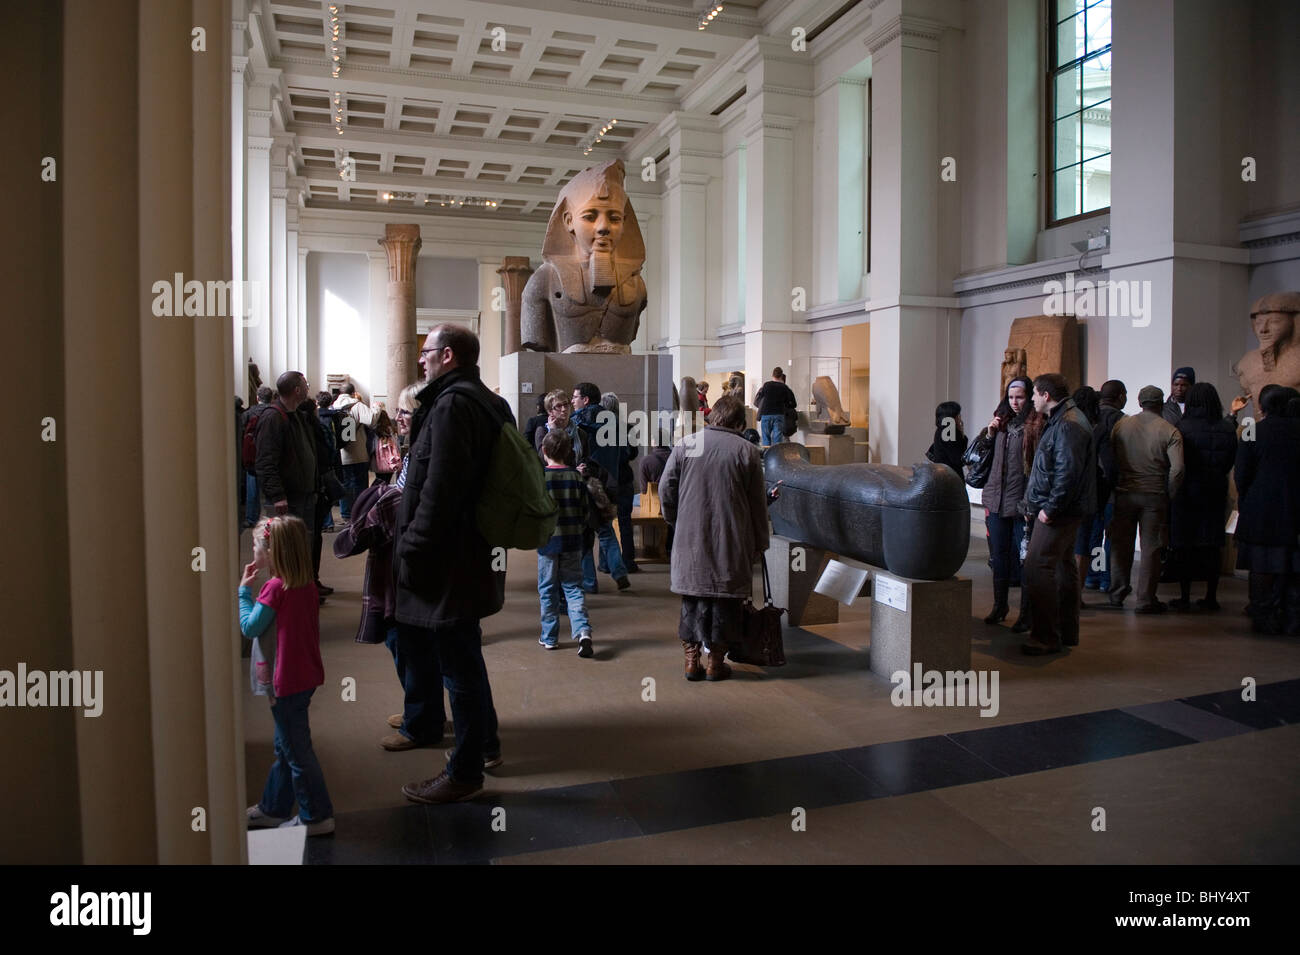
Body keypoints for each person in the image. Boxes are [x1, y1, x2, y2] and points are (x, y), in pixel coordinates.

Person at [395, 324, 507, 805]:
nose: (420, 360)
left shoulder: (453, 405)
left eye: (426, 353)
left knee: (457, 666)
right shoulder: (484, 400)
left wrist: (413, 546)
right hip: (470, 550)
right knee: (465, 656)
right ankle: (484, 746)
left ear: (447, 355)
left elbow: (440, 489)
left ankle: (463, 772)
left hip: (449, 555)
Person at [660, 395, 770, 681]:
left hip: (691, 537)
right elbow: (758, 504)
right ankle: (715, 663)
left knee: (693, 597)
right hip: (731, 538)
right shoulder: (747, 451)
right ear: (737, 423)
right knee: (726, 601)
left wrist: (675, 520)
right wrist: (760, 543)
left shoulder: (687, 444)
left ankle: (690, 661)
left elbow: (665, 488)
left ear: (712, 417)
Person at [240, 516, 334, 836]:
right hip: (304, 675)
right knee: (286, 746)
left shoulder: (274, 589)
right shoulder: (305, 584)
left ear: (270, 550)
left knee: (296, 752)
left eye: (255, 544)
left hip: (284, 681)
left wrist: (243, 594)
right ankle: (273, 807)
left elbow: (250, 626)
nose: (252, 549)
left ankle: (316, 816)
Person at [1020, 374, 1096, 655]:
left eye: (1035, 394)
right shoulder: (1065, 419)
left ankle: (1045, 636)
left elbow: (1068, 473)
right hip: (1064, 509)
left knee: (1038, 566)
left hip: (1059, 511)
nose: (1032, 399)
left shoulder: (1068, 424)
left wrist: (1050, 509)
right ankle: (1064, 631)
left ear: (1046, 395)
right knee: (1063, 566)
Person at [1106, 385, 1185, 613]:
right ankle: (1145, 599)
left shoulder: (1122, 425)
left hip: (1124, 493)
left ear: (1140, 402)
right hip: (1154, 494)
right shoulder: (1169, 430)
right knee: (1151, 547)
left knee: (1121, 545)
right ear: (1161, 403)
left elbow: (1111, 459)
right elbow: (1178, 470)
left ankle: (1117, 593)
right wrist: (1169, 492)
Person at [1234, 385, 1300, 634]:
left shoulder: (1252, 431)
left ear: (1262, 406)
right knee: (1292, 566)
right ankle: (1292, 618)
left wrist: (1247, 497)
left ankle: (1263, 617)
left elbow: (1242, 474)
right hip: (1293, 507)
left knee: (1261, 566)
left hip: (1259, 507)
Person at [1168, 382, 1237, 611]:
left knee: (1184, 545)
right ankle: (1211, 596)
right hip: (1215, 490)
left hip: (1187, 492)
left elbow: (1176, 462)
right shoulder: (1227, 428)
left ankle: (1185, 596)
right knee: (1212, 546)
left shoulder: (1182, 427)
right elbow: (1229, 461)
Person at [980, 376, 1032, 625]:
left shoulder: (1035, 424)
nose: (1014, 402)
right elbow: (982, 458)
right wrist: (989, 435)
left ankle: (1026, 613)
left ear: (1029, 396)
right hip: (996, 499)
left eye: (1019, 397)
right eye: (1011, 397)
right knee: (998, 557)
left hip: (1021, 502)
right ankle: (999, 606)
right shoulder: (1000, 422)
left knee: (1024, 559)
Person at [537, 430, 594, 656]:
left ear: (544, 452)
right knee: (573, 587)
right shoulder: (576, 477)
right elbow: (585, 511)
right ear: (570, 453)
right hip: (572, 541)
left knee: (548, 588)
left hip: (548, 542)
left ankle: (549, 636)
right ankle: (583, 630)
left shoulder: (541, 478)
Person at [572, 381, 630, 591]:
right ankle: (619, 570)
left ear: (585, 400)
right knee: (605, 529)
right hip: (611, 481)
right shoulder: (615, 421)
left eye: (575, 397)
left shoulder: (577, 420)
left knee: (585, 536)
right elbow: (625, 453)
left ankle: (589, 582)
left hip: (587, 481)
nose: (572, 401)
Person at [255, 372, 318, 535]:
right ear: (297, 390)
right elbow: (265, 461)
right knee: (287, 549)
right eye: (306, 385)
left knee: (303, 546)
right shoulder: (272, 417)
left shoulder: (297, 415)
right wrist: (277, 495)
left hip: (304, 495)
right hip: (288, 498)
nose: (308, 389)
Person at [1085, 380, 1127, 592]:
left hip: (1093, 488)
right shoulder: (1122, 421)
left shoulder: (1090, 419)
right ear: (1120, 396)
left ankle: (1092, 575)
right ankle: (1106, 578)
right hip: (1112, 489)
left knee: (1094, 535)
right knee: (1110, 537)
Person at [601, 391, 640, 573]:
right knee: (625, 521)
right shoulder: (628, 427)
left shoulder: (599, 428)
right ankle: (629, 560)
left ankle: (606, 562)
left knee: (605, 523)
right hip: (624, 477)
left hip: (606, 478)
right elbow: (633, 453)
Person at [1070, 386, 1100, 599]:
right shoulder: (1095, 428)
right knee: (1086, 545)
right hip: (1090, 492)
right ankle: (1077, 592)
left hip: (1071, 493)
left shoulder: (1069, 425)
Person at [332, 383, 376, 522]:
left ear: (340, 392)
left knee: (344, 484)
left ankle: (345, 514)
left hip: (340, 453)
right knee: (360, 485)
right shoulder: (357, 405)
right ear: (353, 393)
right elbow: (371, 420)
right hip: (358, 453)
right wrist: (376, 409)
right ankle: (359, 512)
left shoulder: (333, 406)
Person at [243, 386, 276, 528]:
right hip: (271, 455)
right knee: (271, 488)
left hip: (253, 456)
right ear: (272, 398)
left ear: (257, 398)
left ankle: (251, 518)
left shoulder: (249, 413)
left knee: (252, 490)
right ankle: (272, 517)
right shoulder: (275, 413)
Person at [754, 367, 797, 448]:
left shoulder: (766, 385)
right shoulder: (784, 387)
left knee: (765, 439)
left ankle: (765, 458)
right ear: (781, 376)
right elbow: (789, 402)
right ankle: (776, 457)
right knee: (777, 440)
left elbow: (760, 398)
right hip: (778, 414)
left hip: (766, 414)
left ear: (772, 375)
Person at [925, 401, 968, 477]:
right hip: (951, 478)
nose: (960, 417)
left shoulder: (941, 430)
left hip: (943, 476)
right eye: (957, 414)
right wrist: (962, 436)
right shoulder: (949, 431)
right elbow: (958, 459)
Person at [370, 410, 400, 486]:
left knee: (379, 481)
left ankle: (380, 495)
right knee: (387, 482)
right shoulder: (392, 430)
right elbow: (397, 445)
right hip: (391, 462)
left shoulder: (374, 430)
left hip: (378, 463)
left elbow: (372, 447)